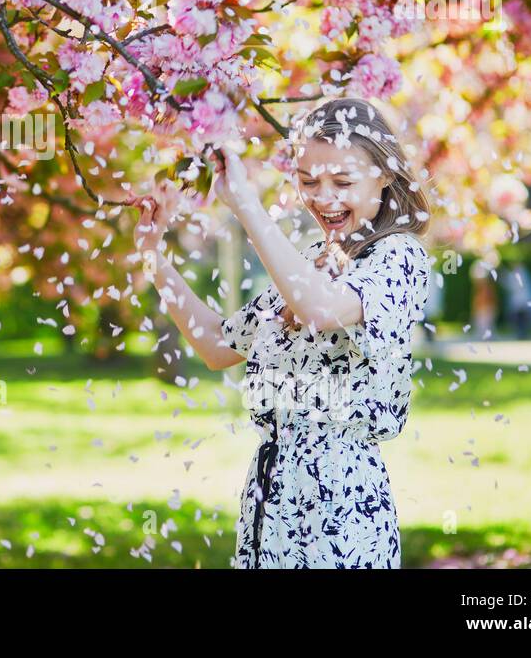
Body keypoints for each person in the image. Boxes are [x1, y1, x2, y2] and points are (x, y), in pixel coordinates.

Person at [132, 97, 431, 568]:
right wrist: (152, 254)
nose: (324, 197)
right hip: (273, 493)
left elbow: (319, 308)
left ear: (386, 174)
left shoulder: (398, 258)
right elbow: (216, 345)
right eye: (309, 181)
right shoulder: (314, 261)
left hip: (340, 501)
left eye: (343, 181)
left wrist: (247, 207)